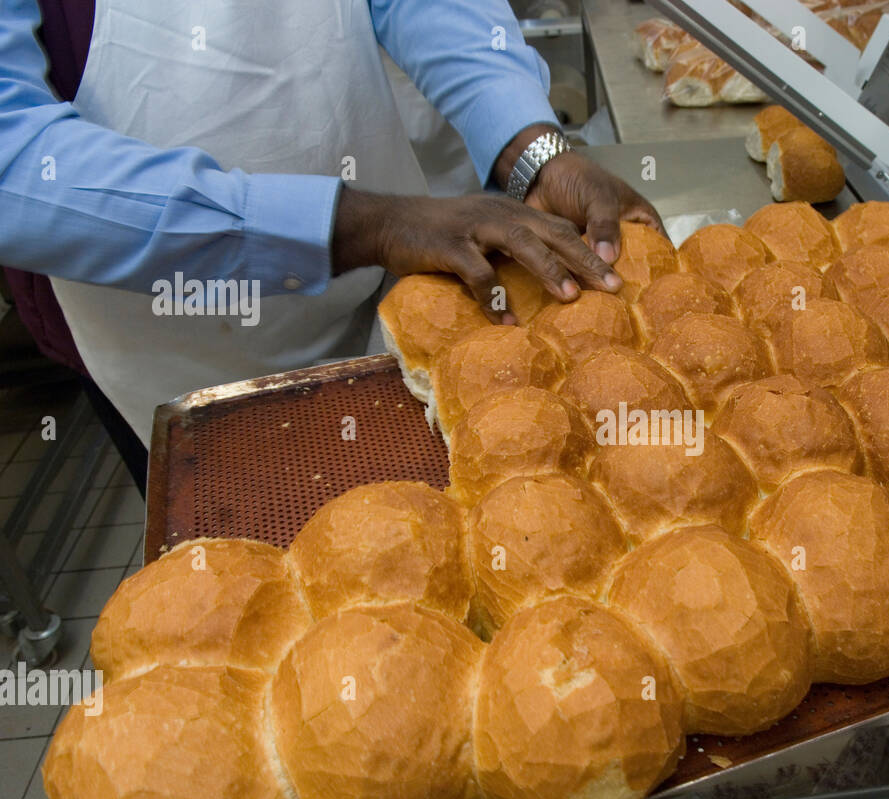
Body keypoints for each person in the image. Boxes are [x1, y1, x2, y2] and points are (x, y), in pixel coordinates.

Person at [0, 0, 663, 487]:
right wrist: (357, 223)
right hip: (172, 337)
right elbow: (12, 160)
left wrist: (530, 148)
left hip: (394, 291)